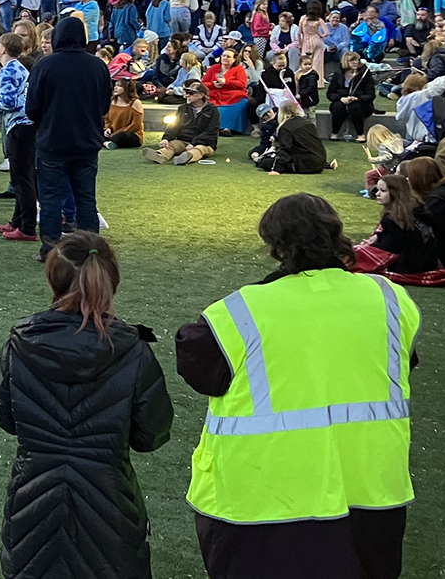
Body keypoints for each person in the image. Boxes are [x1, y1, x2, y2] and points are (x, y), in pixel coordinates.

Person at [177, 193, 420, 579]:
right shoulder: (389, 298)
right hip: (371, 493)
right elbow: (405, 359)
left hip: (260, 503)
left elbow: (198, 368)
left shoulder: (241, 311)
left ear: (275, 247)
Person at [0, 231, 173, 579]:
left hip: (34, 497)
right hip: (108, 500)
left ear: (52, 279)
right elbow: (151, 434)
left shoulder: (20, 345)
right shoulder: (133, 351)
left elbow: (7, 417)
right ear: (112, 281)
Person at [26, 17, 111, 257]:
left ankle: (51, 250)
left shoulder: (44, 66)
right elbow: (104, 105)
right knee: (85, 197)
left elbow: (32, 107)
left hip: (52, 141)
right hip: (87, 142)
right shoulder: (98, 66)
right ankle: (91, 248)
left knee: (51, 197)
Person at [0, 34, 37, 241]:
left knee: (21, 178)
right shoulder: (21, 67)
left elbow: (8, 103)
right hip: (29, 125)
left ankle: (27, 227)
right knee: (23, 176)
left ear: (3, 49)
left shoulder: (6, 71)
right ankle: (18, 220)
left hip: (19, 125)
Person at [351, 173, 436, 274]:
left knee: (358, 251)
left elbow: (390, 246)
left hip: (407, 265)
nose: (377, 194)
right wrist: (378, 236)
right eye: (377, 190)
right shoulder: (417, 209)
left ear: (395, 193)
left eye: (383, 191)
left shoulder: (393, 218)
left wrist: (372, 245)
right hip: (430, 261)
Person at [145, 80, 219, 165]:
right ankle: (160, 155)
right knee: (171, 145)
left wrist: (194, 143)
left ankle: (187, 157)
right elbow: (174, 126)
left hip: (204, 143)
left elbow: (211, 131)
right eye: (186, 92)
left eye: (191, 93)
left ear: (201, 95)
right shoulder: (182, 108)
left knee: (199, 149)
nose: (187, 95)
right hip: (183, 140)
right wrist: (166, 138)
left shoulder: (212, 110)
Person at [253, 100, 331, 175]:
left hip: (304, 164)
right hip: (319, 161)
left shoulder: (286, 127)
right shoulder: (308, 123)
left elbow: (286, 150)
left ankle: (261, 160)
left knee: (265, 162)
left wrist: (277, 169)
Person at [327, 51, 376, 142]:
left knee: (355, 106)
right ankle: (335, 133)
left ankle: (360, 134)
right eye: (352, 60)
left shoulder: (365, 74)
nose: (355, 62)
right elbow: (330, 93)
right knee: (338, 107)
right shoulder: (338, 74)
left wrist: (357, 98)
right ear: (346, 61)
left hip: (361, 102)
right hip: (341, 100)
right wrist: (341, 98)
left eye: (357, 60)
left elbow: (370, 95)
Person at [102, 78, 144, 149]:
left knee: (122, 136)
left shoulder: (135, 103)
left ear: (127, 88)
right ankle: (107, 142)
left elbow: (135, 125)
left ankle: (105, 142)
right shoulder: (112, 101)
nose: (115, 88)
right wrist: (108, 128)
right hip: (113, 132)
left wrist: (115, 134)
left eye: (119, 86)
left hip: (131, 133)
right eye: (115, 85)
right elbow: (107, 119)